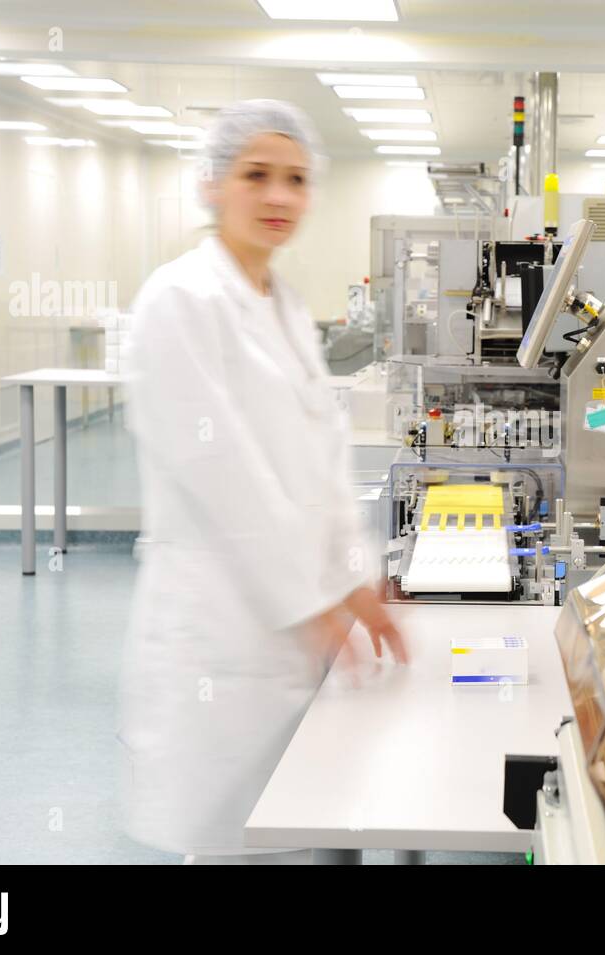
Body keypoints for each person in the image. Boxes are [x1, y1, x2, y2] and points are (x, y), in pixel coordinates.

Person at [117, 99, 407, 865]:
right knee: (236, 843)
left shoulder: (281, 305)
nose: (279, 197)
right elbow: (228, 486)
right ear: (213, 183)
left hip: (298, 631)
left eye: (296, 179)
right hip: (224, 634)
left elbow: (322, 469)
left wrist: (355, 584)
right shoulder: (178, 302)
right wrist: (313, 606)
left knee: (304, 829)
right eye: (257, 175)